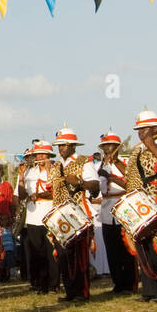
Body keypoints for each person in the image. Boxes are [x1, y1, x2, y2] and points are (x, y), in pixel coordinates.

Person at [124, 112, 157, 301]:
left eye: (144, 129)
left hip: (156, 203)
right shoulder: (136, 150)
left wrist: (153, 147)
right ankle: (149, 291)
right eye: (139, 129)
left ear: (155, 129)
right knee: (143, 248)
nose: (140, 133)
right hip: (138, 204)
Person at [49, 127, 99, 302]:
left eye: (63, 145)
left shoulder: (85, 162)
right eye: (59, 145)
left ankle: (82, 292)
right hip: (60, 216)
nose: (60, 148)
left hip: (78, 213)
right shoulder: (56, 166)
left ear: (73, 146)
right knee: (63, 255)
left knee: (79, 254)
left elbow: (94, 186)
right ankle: (70, 291)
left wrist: (79, 182)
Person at [94, 131, 134, 295]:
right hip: (106, 208)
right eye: (105, 146)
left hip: (122, 205)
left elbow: (131, 182)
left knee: (126, 248)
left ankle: (129, 283)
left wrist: (111, 175)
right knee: (112, 249)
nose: (107, 149)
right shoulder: (99, 165)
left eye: (110, 146)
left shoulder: (125, 161)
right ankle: (118, 283)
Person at [16, 142, 57, 294]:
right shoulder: (29, 172)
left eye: (43, 154)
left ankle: (53, 285)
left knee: (50, 251)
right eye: (37, 154)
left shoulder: (54, 170)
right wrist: (21, 177)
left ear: (49, 156)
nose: (40, 157)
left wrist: (39, 194)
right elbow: (21, 195)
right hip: (33, 216)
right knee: (36, 251)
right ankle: (38, 283)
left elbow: (54, 191)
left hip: (49, 213)